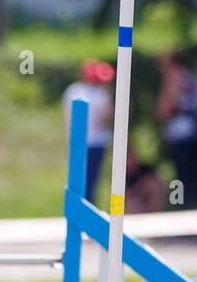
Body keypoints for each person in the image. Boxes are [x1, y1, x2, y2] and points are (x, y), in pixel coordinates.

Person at [155, 50, 197, 208]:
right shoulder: (191, 78)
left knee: (184, 178)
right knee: (195, 177)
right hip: (194, 134)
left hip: (181, 136)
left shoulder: (175, 78)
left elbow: (163, 109)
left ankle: (188, 211)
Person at [62, 59, 114, 202]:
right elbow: (107, 117)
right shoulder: (101, 93)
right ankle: (89, 206)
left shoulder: (72, 90)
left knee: (77, 179)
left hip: (77, 141)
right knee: (92, 179)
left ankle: (79, 206)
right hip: (96, 142)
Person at [124, 147, 167, 213]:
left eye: (130, 156)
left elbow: (155, 185)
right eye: (127, 157)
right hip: (134, 206)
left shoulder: (145, 169)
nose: (129, 159)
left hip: (149, 202)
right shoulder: (122, 177)